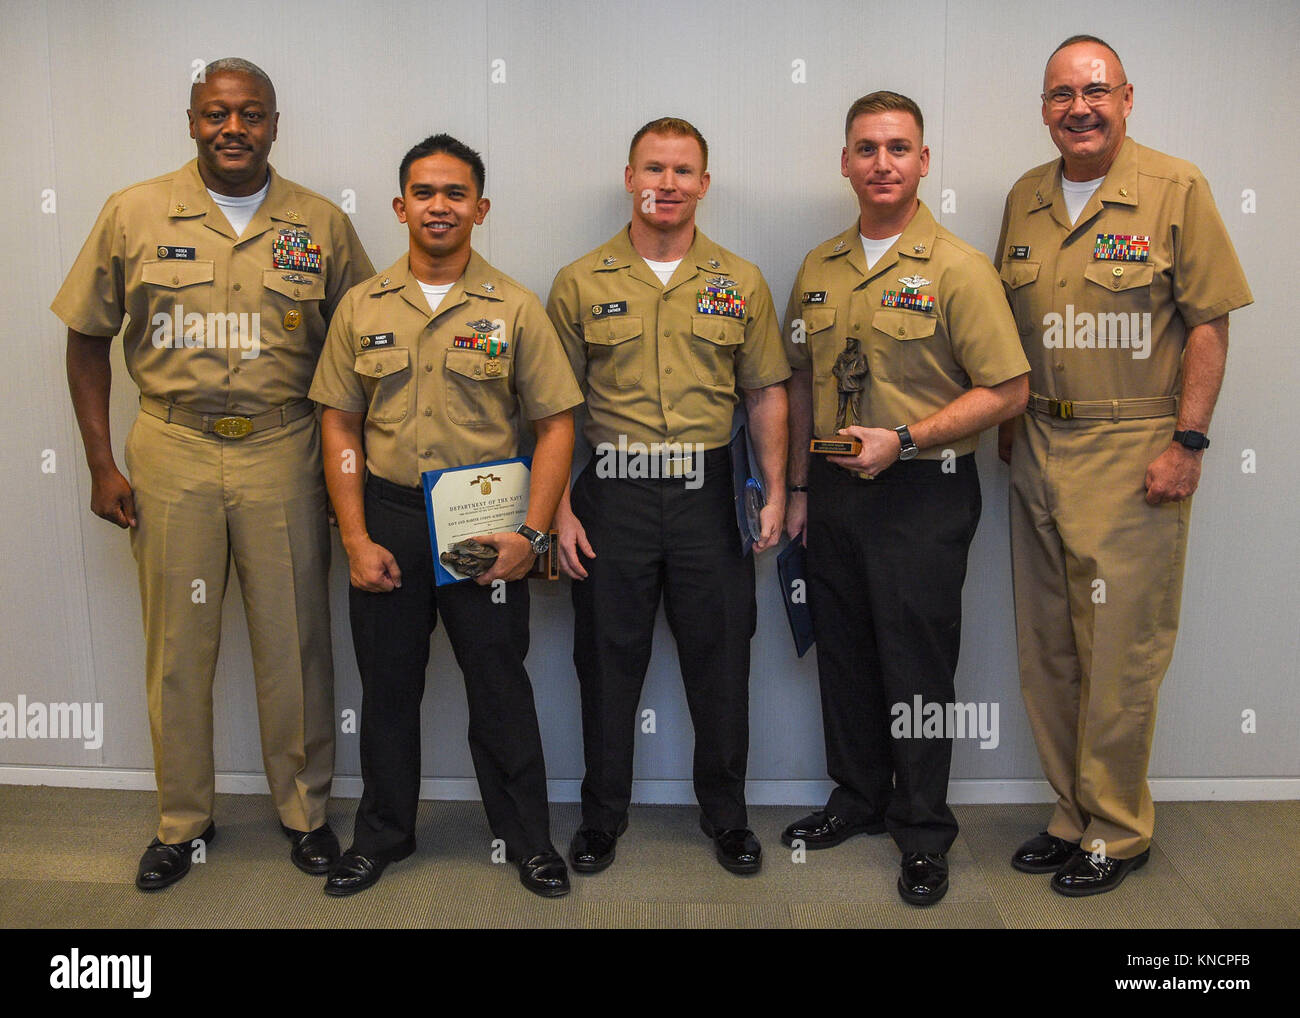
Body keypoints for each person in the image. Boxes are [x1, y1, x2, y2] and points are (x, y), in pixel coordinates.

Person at [51, 58, 373, 890]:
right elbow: (86, 334)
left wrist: (355, 476)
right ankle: (181, 823)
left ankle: (304, 814)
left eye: (251, 114)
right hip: (172, 450)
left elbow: (363, 347)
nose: (234, 128)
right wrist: (98, 460)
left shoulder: (322, 224)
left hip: (285, 448)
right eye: (216, 113)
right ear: (192, 121)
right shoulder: (135, 212)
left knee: (295, 642)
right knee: (177, 648)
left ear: (274, 124)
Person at [996, 36, 1252, 895]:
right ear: (1044, 109)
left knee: (1119, 654)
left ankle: (1119, 829)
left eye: (1096, 90)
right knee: (1049, 648)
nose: (1080, 106)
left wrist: (1188, 443)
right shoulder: (1025, 199)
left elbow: (1210, 323)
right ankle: (1070, 814)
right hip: (1035, 443)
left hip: (1133, 446)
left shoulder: (1174, 189)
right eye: (1063, 93)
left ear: (1127, 98)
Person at [309, 134, 581, 898]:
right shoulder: (362, 308)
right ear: (400, 206)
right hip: (389, 516)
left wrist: (531, 534)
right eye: (424, 193)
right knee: (388, 687)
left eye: (455, 194)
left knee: (499, 684)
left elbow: (557, 423)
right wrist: (357, 536)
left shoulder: (516, 307)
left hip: (482, 522)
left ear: (481, 208)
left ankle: (527, 840)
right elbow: (339, 424)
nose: (439, 206)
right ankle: (383, 836)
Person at [780, 92, 1029, 906]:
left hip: (923, 491)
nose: (881, 163)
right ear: (845, 162)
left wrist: (910, 438)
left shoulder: (958, 268)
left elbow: (1010, 389)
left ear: (924, 162)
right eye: (866, 148)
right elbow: (803, 379)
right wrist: (800, 488)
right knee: (845, 655)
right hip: (837, 493)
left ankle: (922, 832)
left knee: (916, 668)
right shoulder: (817, 268)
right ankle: (857, 799)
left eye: (898, 148)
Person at [546, 117, 789, 876]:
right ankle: (601, 817)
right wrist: (554, 510)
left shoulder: (739, 281)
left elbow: (765, 394)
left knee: (721, 662)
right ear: (629, 177)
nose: (668, 184)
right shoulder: (580, 281)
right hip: (610, 493)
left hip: (708, 494)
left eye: (684, 171)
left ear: (704, 185)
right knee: (605, 660)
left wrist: (778, 492)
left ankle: (727, 818)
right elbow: (555, 410)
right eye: (655, 168)